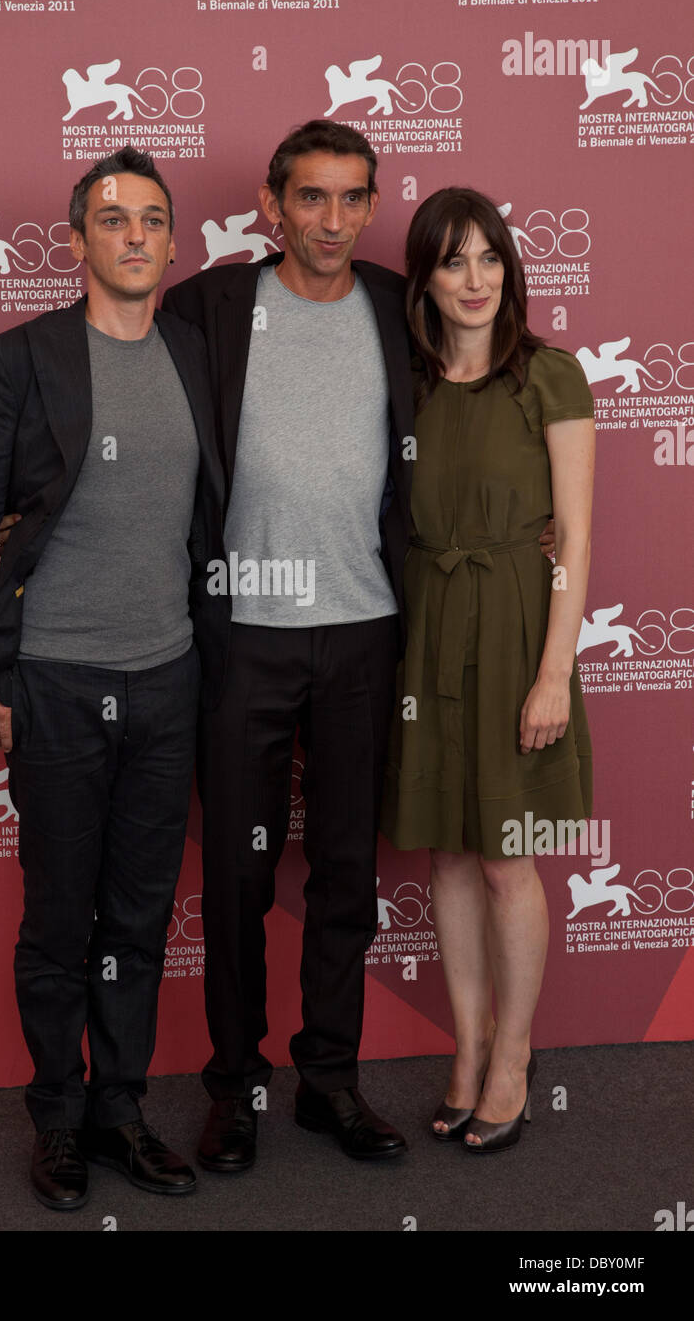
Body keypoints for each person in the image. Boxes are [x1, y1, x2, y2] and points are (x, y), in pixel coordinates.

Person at [0, 148, 227, 1208]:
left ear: (171, 239)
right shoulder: (18, 360)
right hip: (53, 681)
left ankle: (120, 1113)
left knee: (140, 916)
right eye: (113, 220)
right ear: (77, 240)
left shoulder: (193, 355)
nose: (136, 236)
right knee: (60, 918)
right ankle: (58, 1116)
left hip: (166, 682)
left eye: (153, 219)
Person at [161, 119, 417, 1169]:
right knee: (236, 876)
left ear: (368, 205)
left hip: (361, 632)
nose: (329, 218)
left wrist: (536, 517)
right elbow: (119, 397)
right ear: (271, 204)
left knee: (346, 871)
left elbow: (491, 393)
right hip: (244, 635)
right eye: (307, 197)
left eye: (349, 197)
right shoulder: (211, 306)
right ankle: (235, 1089)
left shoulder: (401, 307)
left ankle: (329, 1080)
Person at [381, 186, 595, 1153]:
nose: (475, 280)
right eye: (454, 260)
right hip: (427, 630)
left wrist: (553, 673)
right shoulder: (408, 384)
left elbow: (577, 539)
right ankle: (464, 1051)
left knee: (509, 855)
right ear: (424, 275)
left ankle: (514, 1058)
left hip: (514, 632)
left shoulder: (549, 375)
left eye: (491, 258)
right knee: (449, 853)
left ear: (511, 268)